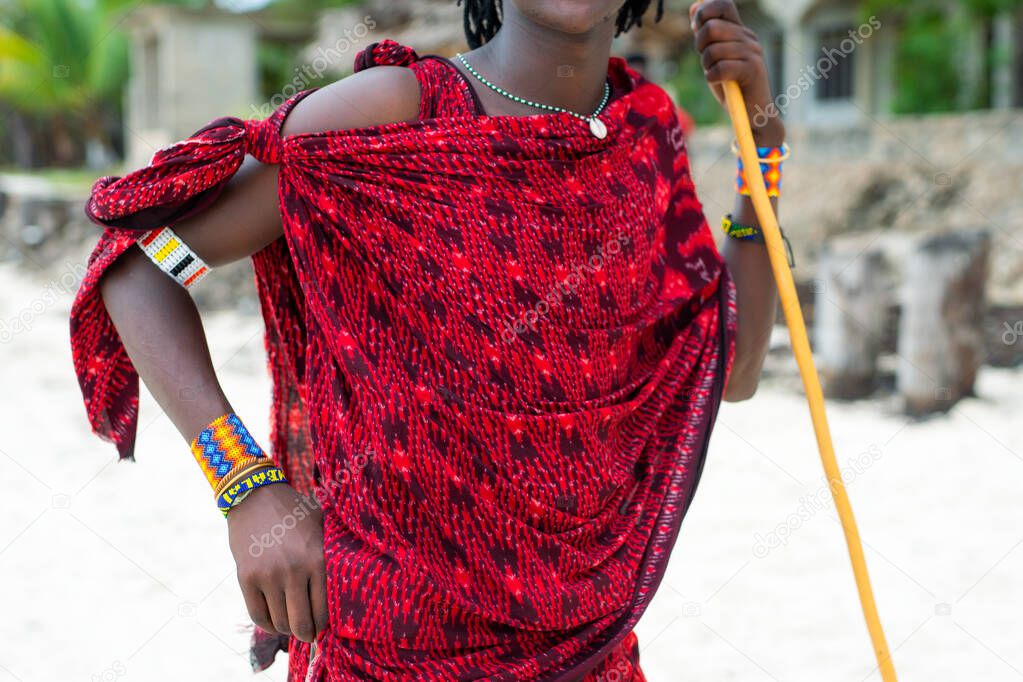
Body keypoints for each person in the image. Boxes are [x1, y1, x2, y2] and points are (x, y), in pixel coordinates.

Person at [70, 0, 784, 679]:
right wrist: (246, 486)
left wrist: (764, 144)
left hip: (589, 648)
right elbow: (139, 267)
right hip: (398, 643)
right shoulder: (394, 112)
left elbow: (738, 366)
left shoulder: (641, 135)